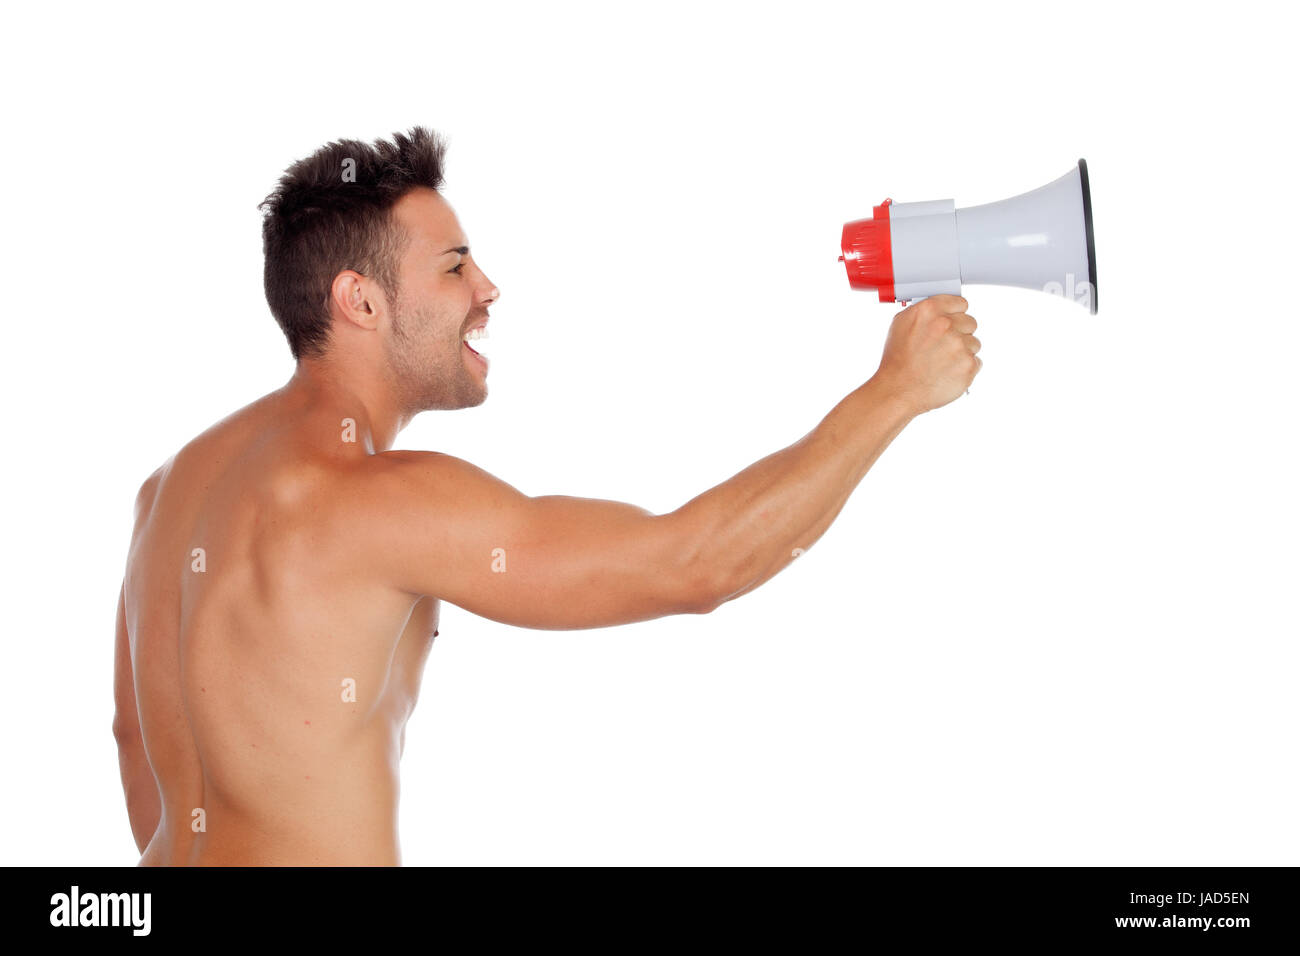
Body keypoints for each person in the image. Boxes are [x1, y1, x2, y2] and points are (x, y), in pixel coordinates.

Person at [114, 127, 982, 865]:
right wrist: (894, 392)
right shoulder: (372, 499)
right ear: (361, 301)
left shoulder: (171, 491)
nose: (487, 289)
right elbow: (694, 565)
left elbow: (136, 740)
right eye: (454, 267)